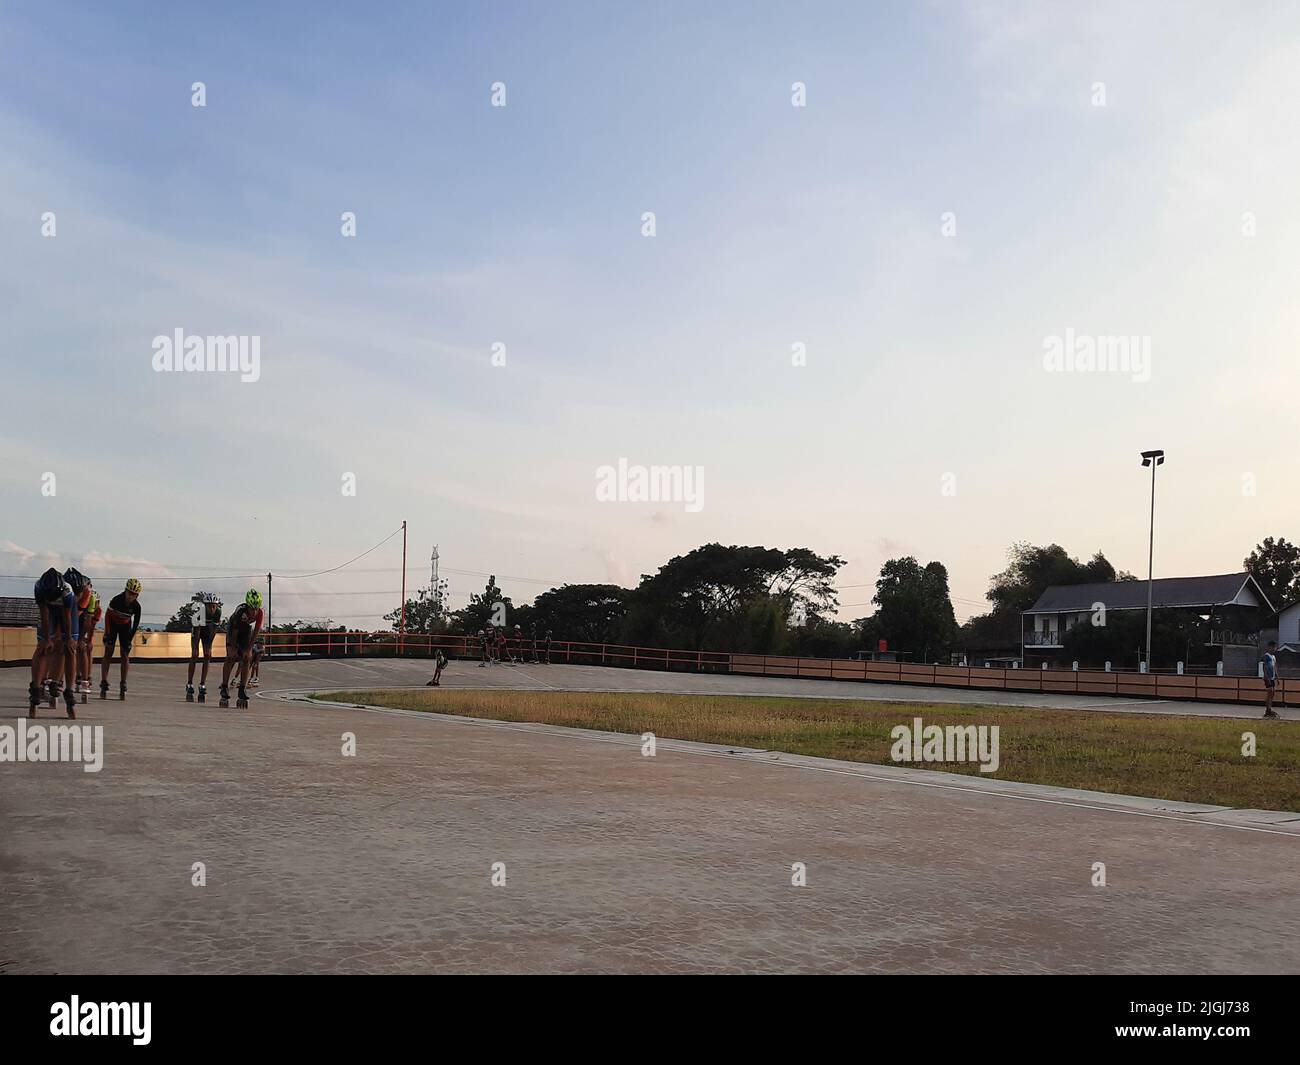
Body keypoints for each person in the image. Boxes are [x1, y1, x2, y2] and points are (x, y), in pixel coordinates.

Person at [30, 567, 78, 718]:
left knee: (69, 649)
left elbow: (67, 617)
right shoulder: (38, 587)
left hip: (65, 612)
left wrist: (69, 638)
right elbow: (44, 614)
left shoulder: (67, 590)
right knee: (43, 648)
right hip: (49, 613)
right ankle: (36, 687)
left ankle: (69, 690)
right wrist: (47, 639)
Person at [219, 589, 263, 708]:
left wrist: (248, 649)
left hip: (246, 630)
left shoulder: (260, 613)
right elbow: (234, 631)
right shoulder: (240, 611)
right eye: (252, 609)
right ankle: (224, 687)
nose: (254, 612)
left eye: (256, 609)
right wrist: (233, 647)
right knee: (230, 657)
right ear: (247, 606)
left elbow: (256, 631)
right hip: (233, 628)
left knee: (247, 658)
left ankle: (242, 689)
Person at [100, 578, 142, 700]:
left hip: (125, 627)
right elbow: (108, 615)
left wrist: (129, 640)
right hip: (112, 624)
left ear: (137, 596)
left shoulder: (137, 606)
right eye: (129, 593)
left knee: (124, 653)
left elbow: (135, 625)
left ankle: (123, 682)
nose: (130, 596)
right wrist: (107, 633)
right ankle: (104, 681)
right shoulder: (117, 600)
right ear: (125, 591)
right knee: (109, 651)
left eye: (134, 594)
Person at [186, 592, 223, 702]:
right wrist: (196, 647)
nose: (212, 609)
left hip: (209, 629)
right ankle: (189, 683)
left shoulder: (218, 612)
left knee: (207, 655)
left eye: (214, 606)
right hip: (198, 628)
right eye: (209, 606)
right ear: (205, 606)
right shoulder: (200, 613)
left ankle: (202, 683)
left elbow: (214, 630)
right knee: (195, 654)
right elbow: (197, 634)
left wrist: (209, 647)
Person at [76, 585, 101, 700]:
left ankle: (87, 677)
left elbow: (91, 626)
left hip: (87, 623)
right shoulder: (83, 602)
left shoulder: (97, 610)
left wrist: (89, 640)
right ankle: (78, 674)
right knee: (78, 648)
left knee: (87, 649)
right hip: (79, 619)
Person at [1263, 640, 1280, 719]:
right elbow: (1265, 667)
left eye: (1275, 647)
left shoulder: (1273, 657)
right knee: (1270, 692)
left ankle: (1269, 708)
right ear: (1269, 647)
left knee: (1273, 693)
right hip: (1268, 677)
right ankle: (1267, 710)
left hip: (1272, 677)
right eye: (1272, 647)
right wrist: (1267, 677)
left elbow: (1274, 667)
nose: (1274, 649)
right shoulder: (1266, 656)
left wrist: (1277, 677)